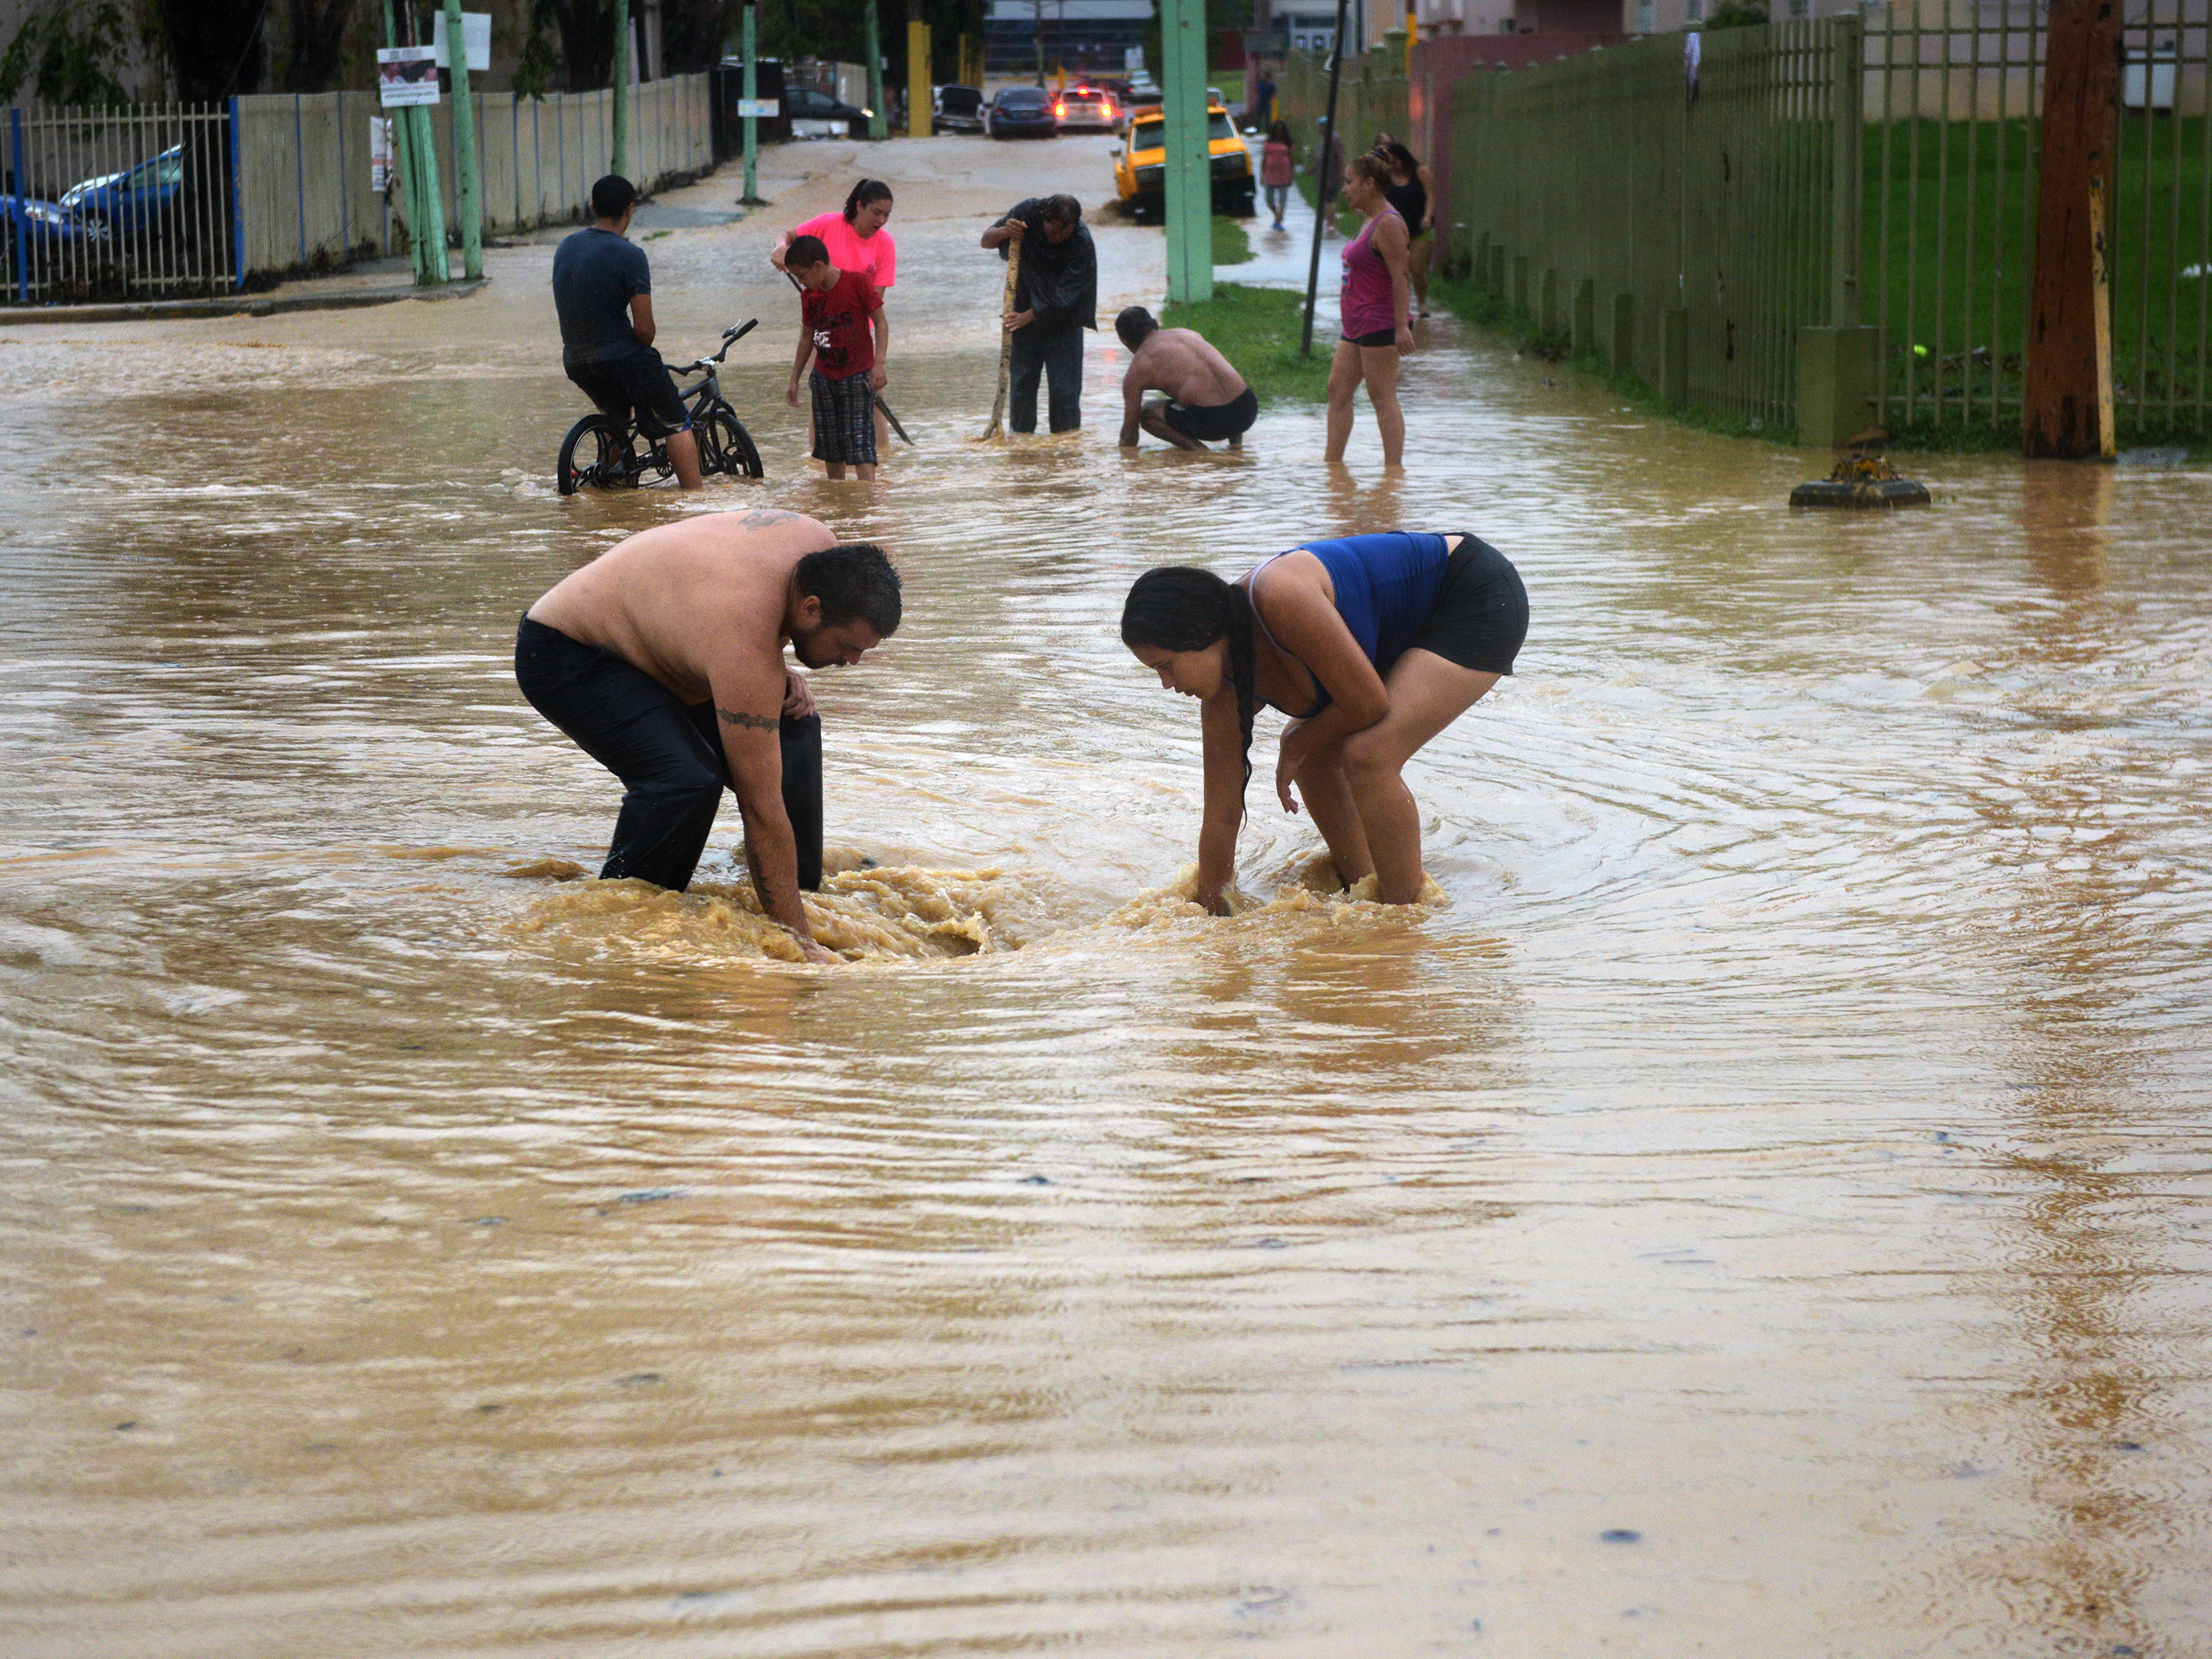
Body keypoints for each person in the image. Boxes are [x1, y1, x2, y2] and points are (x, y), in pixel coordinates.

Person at [513, 510, 901, 965]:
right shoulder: (742, 636)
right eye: (847, 646)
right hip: (567, 651)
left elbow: (745, 616)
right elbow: (761, 807)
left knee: (796, 726)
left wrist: (769, 667)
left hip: (670, 643)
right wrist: (799, 950)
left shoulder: (819, 546)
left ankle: (803, 892)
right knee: (686, 780)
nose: (852, 661)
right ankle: (626, 925)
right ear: (812, 608)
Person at [1120, 533, 1527, 911]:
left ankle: (1407, 922)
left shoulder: (1277, 597)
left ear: (1197, 632)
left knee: (1369, 754)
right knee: (1316, 758)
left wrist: (1294, 742)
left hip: (1473, 594)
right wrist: (1211, 910)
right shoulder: (1222, 690)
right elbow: (1221, 816)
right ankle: (1365, 889)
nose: (1167, 685)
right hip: (1401, 630)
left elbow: (1369, 703)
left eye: (1166, 667)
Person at [551, 173, 703, 489]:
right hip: (620, 356)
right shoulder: (630, 255)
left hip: (576, 360)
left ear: (592, 207)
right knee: (675, 420)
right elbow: (645, 331)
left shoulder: (567, 246)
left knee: (617, 415)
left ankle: (610, 485)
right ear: (630, 210)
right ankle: (695, 498)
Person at [770, 180, 897, 454]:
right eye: (876, 213)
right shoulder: (829, 223)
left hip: (861, 335)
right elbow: (787, 236)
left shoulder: (885, 243)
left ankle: (884, 466)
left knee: (875, 407)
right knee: (822, 406)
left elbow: (875, 304)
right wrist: (781, 247)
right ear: (859, 206)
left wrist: (877, 361)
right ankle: (819, 468)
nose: (882, 221)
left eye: (887, 214)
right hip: (825, 331)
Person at [979, 194, 1097, 434]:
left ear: (1073, 226)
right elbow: (986, 241)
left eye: (1063, 234)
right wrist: (1005, 231)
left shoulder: (1081, 242)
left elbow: (1068, 295)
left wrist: (1028, 316)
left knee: (1065, 394)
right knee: (1021, 391)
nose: (1057, 239)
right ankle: (1021, 450)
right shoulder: (1026, 213)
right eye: (1052, 232)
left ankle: (1065, 452)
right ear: (1043, 218)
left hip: (1063, 325)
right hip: (1023, 322)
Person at [1326, 153, 1414, 469]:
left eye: (1350, 182)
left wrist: (1401, 325)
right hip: (1356, 324)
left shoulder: (1388, 223)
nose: (1345, 189)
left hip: (1380, 322)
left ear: (1370, 183)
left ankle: (1394, 472)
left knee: (1381, 395)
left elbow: (1400, 275)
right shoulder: (1368, 219)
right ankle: (1332, 466)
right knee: (1337, 389)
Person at [785, 234, 889, 482]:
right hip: (823, 377)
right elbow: (806, 338)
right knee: (830, 447)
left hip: (857, 375)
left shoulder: (857, 283)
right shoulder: (808, 296)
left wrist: (880, 363)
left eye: (802, 275)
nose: (801, 282)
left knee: (861, 443)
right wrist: (795, 379)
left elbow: (881, 322)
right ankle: (837, 498)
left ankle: (867, 500)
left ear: (819, 266)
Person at [1115, 305, 1258, 452]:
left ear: (1124, 340)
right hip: (1247, 407)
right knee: (1220, 387)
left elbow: (1129, 433)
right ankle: (1236, 447)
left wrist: (1123, 461)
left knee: (1146, 414)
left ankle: (1199, 450)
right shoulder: (1188, 334)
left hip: (1215, 420)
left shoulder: (1138, 367)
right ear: (1155, 323)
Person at [1381, 142, 1437, 317]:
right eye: (1388, 163)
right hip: (1395, 230)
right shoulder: (1385, 177)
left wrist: (1428, 216)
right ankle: (1401, 307)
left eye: (1394, 162)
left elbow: (1430, 196)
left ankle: (1421, 302)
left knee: (1417, 270)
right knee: (1398, 271)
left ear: (1404, 159)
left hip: (1419, 228)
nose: (1392, 166)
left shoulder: (1421, 173)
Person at [1260, 120, 1294, 230]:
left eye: (1281, 131)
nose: (1279, 133)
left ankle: (1279, 220)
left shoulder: (1287, 144)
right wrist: (1262, 174)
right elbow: (1264, 158)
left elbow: (1291, 159)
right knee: (1269, 199)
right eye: (1277, 131)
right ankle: (1277, 215)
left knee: (1282, 200)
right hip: (1270, 174)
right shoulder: (1268, 143)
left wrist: (1291, 175)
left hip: (1284, 174)